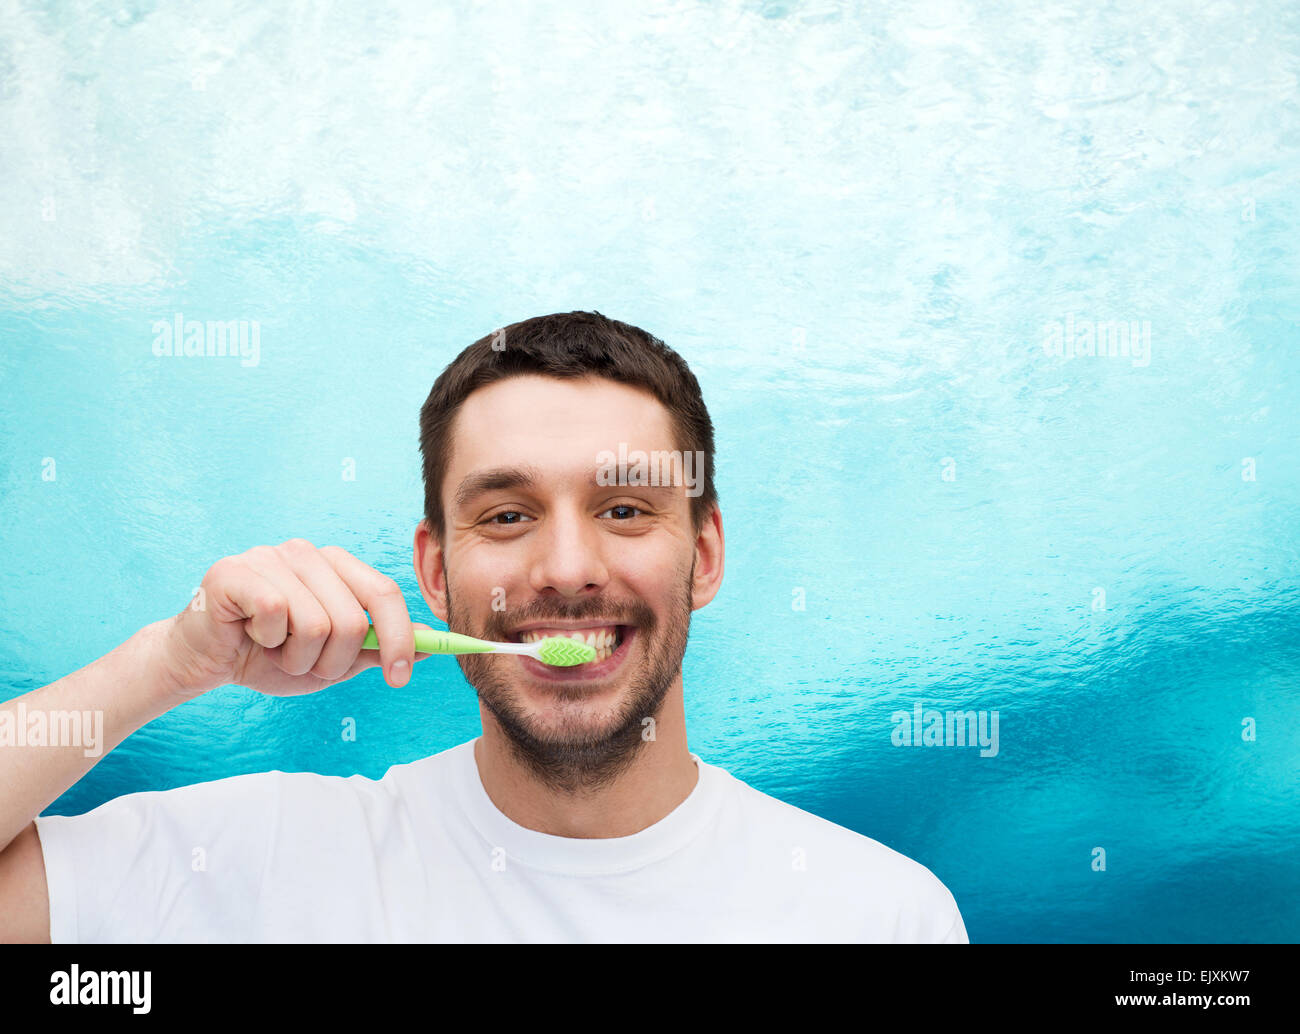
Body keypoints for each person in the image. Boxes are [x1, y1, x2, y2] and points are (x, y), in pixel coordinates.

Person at [0, 310, 968, 943]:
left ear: (704, 554)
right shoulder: (252, 862)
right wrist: (169, 661)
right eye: (506, 515)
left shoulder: (879, 913)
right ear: (435, 571)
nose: (565, 567)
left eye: (625, 509)